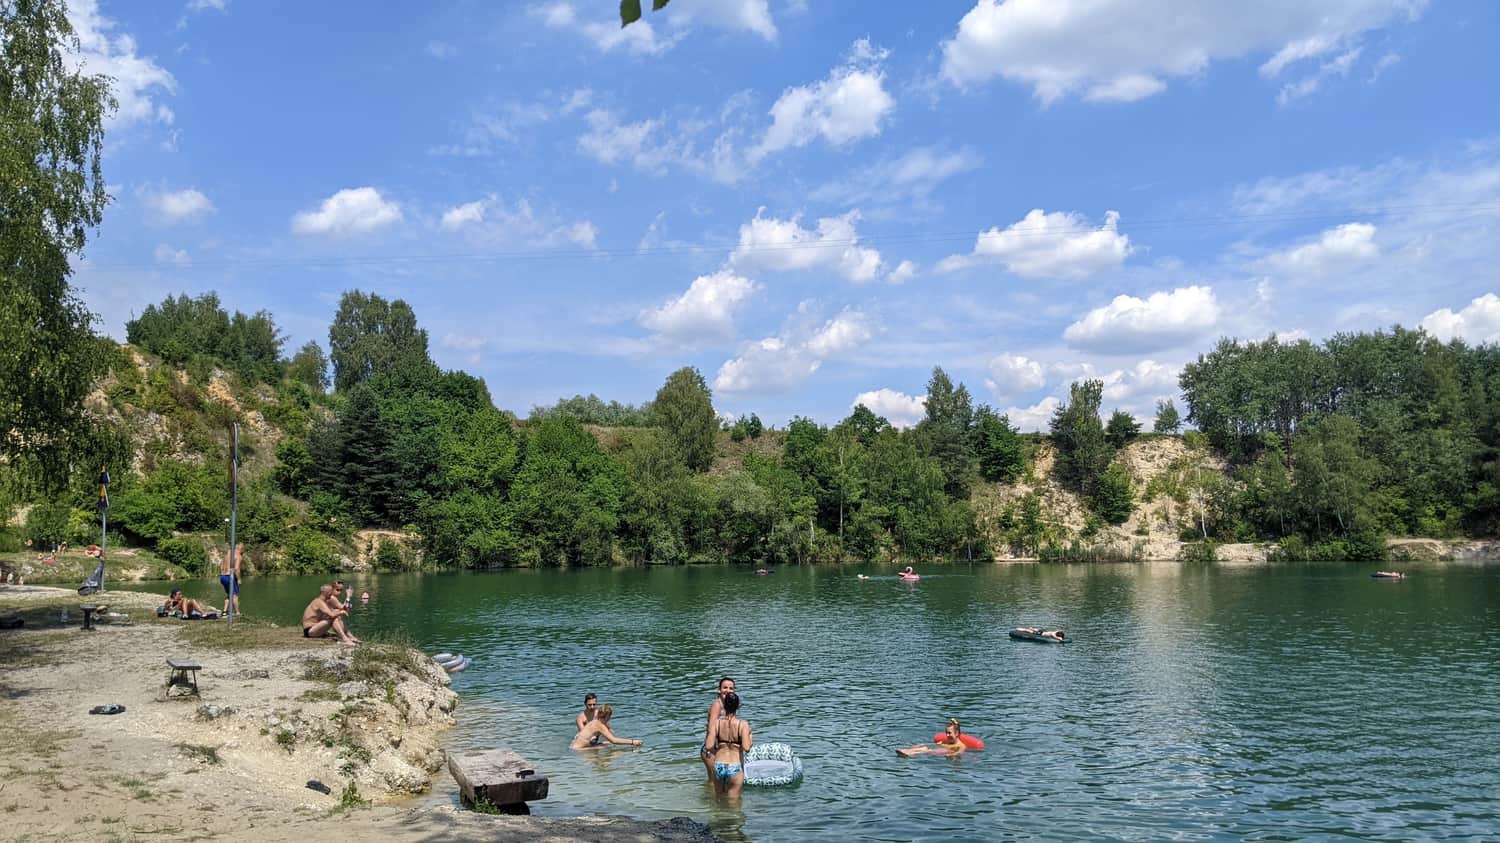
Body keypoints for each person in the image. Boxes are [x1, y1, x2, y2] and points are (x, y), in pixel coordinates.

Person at [707, 692, 752, 798]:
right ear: (738, 706)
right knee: (734, 805)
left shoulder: (716, 723)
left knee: (718, 799)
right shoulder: (743, 724)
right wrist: (750, 737)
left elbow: (708, 745)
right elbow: (746, 748)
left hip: (719, 765)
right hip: (734, 767)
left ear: (724, 706)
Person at [700, 676, 735, 782]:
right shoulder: (717, 705)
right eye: (725, 687)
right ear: (719, 690)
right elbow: (712, 728)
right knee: (715, 784)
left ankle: (710, 798)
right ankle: (709, 798)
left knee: (718, 783)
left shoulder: (729, 706)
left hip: (720, 751)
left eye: (731, 688)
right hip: (711, 751)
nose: (728, 690)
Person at [570, 704, 642, 750]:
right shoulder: (600, 725)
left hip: (573, 747)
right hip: (578, 750)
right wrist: (632, 742)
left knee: (607, 743)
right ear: (608, 716)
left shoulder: (594, 722)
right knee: (608, 745)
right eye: (610, 716)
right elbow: (614, 740)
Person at [898, 718, 966, 757]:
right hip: (943, 748)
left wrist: (951, 754)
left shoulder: (961, 745)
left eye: (949, 733)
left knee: (928, 750)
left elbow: (959, 752)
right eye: (946, 733)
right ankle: (907, 750)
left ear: (956, 733)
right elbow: (940, 744)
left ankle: (910, 754)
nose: (947, 735)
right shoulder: (949, 741)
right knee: (923, 746)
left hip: (948, 751)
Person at [219, 543, 242, 615]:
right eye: (243, 549)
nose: (243, 551)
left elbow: (221, 566)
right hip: (230, 577)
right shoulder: (238, 556)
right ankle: (238, 613)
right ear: (239, 549)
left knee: (229, 594)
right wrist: (238, 579)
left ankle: (225, 611)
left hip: (223, 577)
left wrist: (223, 573)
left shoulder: (227, 555)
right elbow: (236, 569)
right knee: (235, 595)